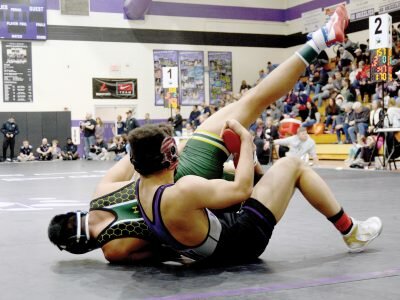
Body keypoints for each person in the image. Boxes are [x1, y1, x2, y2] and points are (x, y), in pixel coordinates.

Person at [50, 5, 382, 264]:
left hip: (183, 210)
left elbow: (166, 251)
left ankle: (345, 226)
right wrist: (245, 146)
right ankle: (322, 39)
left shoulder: (114, 250)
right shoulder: (103, 191)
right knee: (252, 103)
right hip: (195, 201)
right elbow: (137, 158)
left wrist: (188, 240)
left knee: (249, 128)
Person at [131, 120, 381, 265]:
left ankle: (262, 177)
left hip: (205, 246)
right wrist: (246, 140)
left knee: (232, 170)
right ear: (170, 156)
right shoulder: (184, 190)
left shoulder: (140, 186)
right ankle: (352, 231)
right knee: (292, 164)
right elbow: (242, 190)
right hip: (239, 244)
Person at [48, 151, 179, 264]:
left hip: (187, 220)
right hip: (180, 173)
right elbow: (133, 154)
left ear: (76, 245)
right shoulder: (101, 191)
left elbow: (167, 253)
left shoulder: (112, 252)